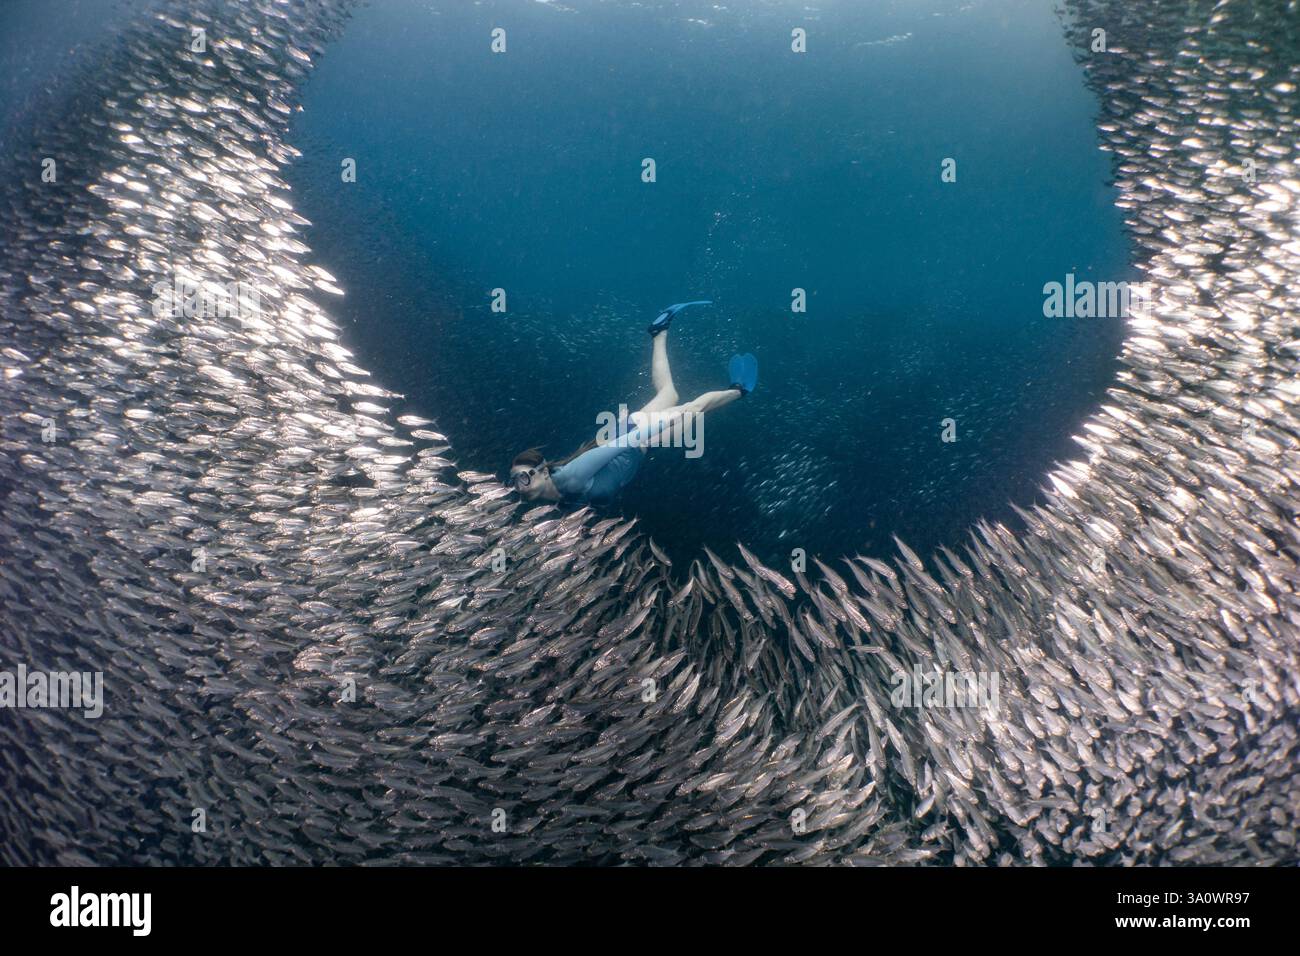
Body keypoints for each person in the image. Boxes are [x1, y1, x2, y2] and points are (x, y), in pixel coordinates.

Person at [510, 301, 758, 504]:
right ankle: (659, 332)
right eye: (515, 481)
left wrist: (672, 418)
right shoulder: (554, 499)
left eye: (523, 478)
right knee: (669, 394)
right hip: (633, 436)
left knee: (695, 409)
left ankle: (739, 390)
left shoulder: (570, 477)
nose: (519, 487)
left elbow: (624, 443)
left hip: (638, 436)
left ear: (542, 471)